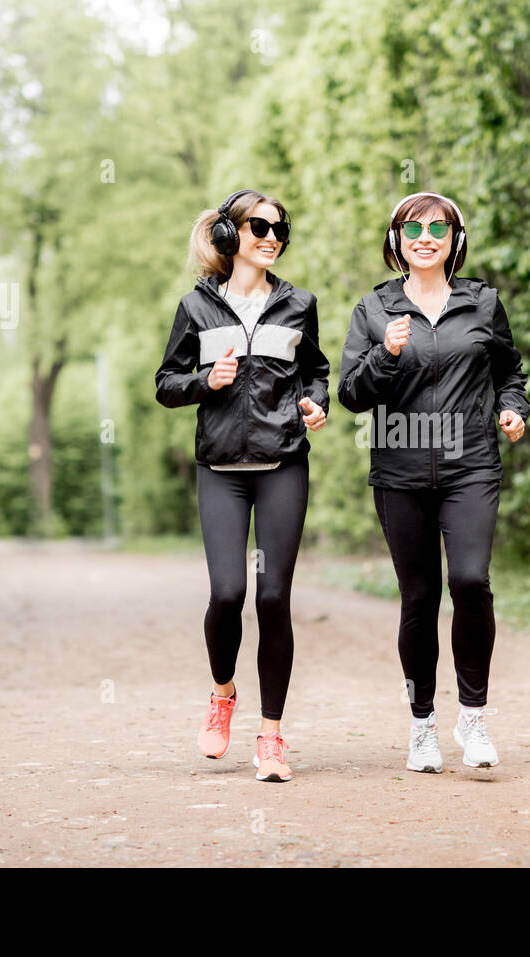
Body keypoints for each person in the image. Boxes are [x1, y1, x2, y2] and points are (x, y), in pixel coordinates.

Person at [337, 190, 530, 773]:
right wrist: (385, 356)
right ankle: (422, 725)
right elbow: (350, 394)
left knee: (470, 581)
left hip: (471, 462)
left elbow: (509, 371)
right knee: (419, 597)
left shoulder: (484, 303)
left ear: (455, 240)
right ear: (396, 240)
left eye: (438, 228)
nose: (426, 236)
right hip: (399, 467)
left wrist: (513, 407)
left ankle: (473, 718)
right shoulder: (374, 309)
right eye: (413, 227)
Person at [155, 188, 329, 783]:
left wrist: (314, 401)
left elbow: (317, 370)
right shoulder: (196, 307)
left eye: (281, 229)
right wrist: (207, 379)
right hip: (220, 470)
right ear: (231, 236)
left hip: (284, 465)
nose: (272, 237)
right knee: (228, 592)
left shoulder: (299, 304)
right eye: (259, 227)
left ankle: (272, 737)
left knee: (273, 596)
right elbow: (166, 383)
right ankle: (223, 692)